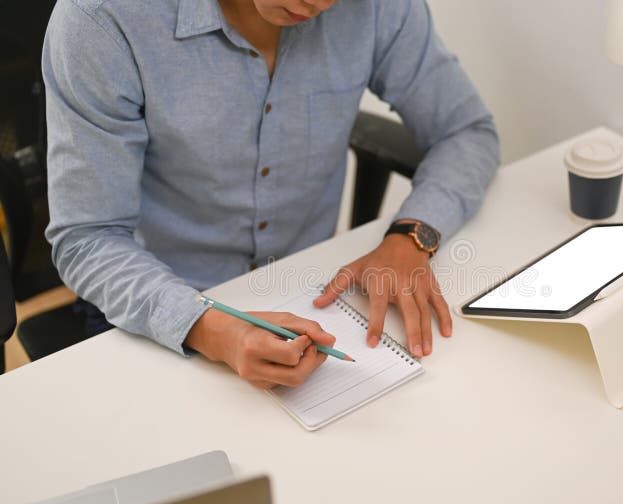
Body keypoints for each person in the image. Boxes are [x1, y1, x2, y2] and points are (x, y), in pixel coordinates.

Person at [43, 0, 499, 389]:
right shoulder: (101, 19)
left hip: (310, 294)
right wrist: (211, 328)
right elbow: (88, 236)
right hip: (156, 307)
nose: (317, 3)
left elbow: (466, 132)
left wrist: (410, 237)